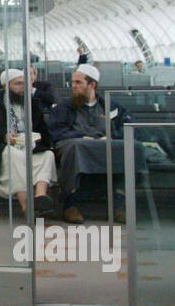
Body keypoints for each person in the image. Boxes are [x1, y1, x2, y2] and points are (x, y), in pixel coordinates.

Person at [49, 64, 132, 223]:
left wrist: (111, 137)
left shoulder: (112, 106)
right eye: (73, 82)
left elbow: (128, 127)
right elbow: (56, 131)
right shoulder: (64, 107)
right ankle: (70, 204)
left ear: (92, 85)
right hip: (76, 147)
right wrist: (81, 135)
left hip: (105, 147)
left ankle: (119, 204)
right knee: (75, 147)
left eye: (78, 82)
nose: (73, 86)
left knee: (128, 148)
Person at [0, 69, 57, 217]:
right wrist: (5, 137)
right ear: (6, 86)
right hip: (1, 148)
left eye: (24, 83)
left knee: (47, 155)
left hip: (30, 146)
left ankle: (40, 198)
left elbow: (44, 131)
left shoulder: (32, 104)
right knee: (15, 155)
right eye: (17, 84)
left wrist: (36, 139)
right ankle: (26, 207)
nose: (22, 87)